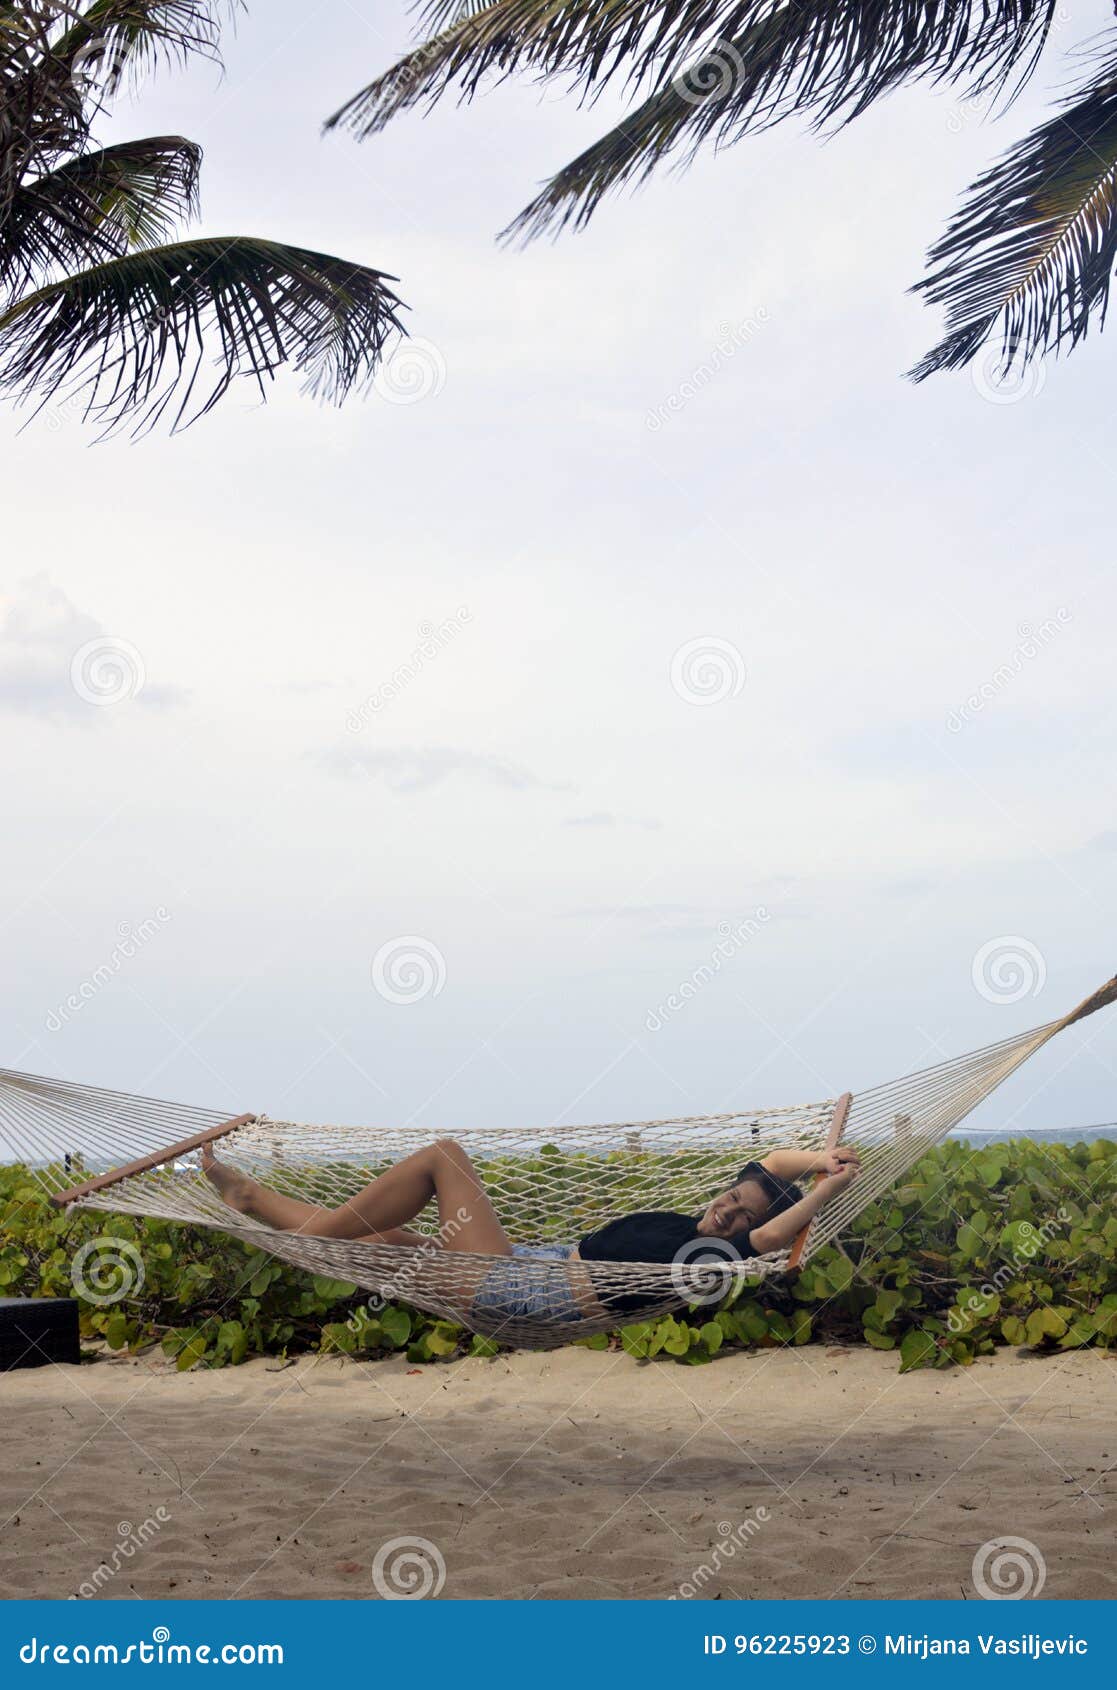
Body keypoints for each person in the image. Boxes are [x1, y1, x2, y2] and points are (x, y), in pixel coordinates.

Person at [202, 1137, 861, 1327]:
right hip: (529, 1267)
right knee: (378, 1247)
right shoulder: (688, 1221)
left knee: (443, 1157)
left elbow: (771, 1241)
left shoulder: (705, 1257)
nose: (729, 1214)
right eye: (731, 1199)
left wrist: (829, 1189)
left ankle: (311, 1227)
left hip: (524, 1295)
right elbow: (773, 1166)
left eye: (743, 1216)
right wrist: (815, 1162)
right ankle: (254, 1198)